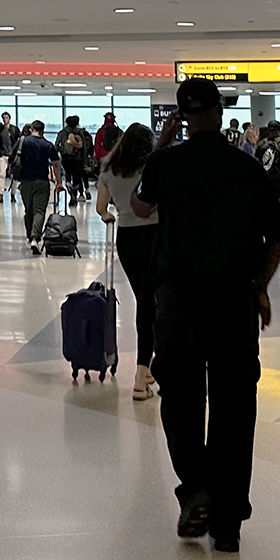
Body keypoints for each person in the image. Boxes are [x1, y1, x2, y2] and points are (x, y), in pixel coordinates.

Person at [132, 77, 280, 554]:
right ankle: (229, 523)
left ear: (181, 115)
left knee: (180, 401)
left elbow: (140, 206)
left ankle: (196, 488)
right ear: (221, 115)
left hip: (179, 301)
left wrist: (160, 146)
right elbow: (276, 234)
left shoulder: (165, 164)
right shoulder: (246, 167)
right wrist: (261, 290)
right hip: (233, 301)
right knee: (234, 407)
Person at [95, 122, 160, 401]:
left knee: (145, 302)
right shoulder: (151, 167)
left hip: (128, 239)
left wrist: (110, 215)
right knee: (155, 303)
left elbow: (101, 207)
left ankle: (147, 370)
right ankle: (142, 371)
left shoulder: (109, 167)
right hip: (155, 237)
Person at [13, 121, 61, 252]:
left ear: (31, 129)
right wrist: (59, 182)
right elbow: (56, 165)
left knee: (28, 211)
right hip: (42, 181)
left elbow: (12, 156)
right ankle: (35, 239)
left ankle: (30, 237)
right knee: (39, 211)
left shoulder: (23, 142)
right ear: (43, 130)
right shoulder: (48, 145)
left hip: (26, 182)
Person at [0, 112, 21, 198]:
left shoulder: (14, 130)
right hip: (2, 155)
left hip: (13, 156)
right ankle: (1, 193)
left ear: (9, 118)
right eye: (4, 118)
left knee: (14, 176)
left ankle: (13, 193)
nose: (5, 119)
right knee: (2, 174)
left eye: (6, 118)